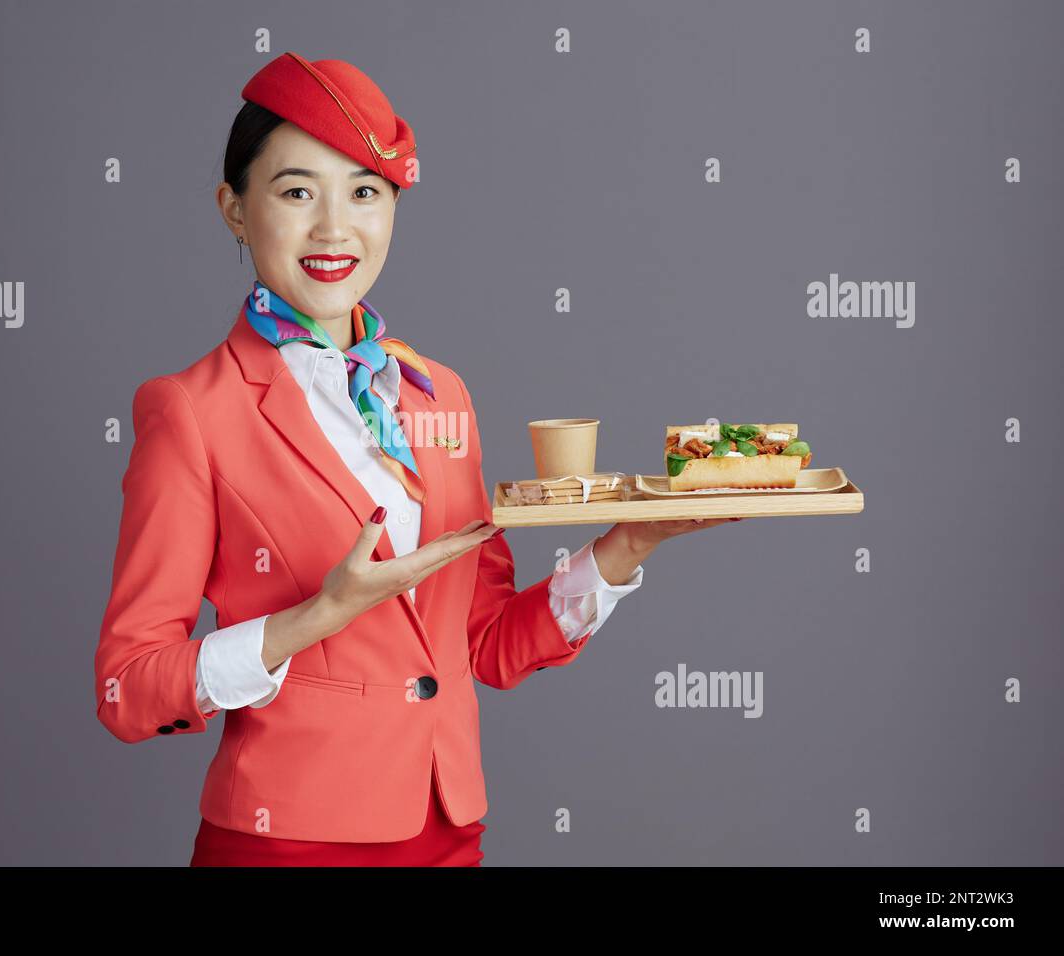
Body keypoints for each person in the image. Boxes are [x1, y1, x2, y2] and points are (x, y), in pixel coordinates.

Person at [94, 51, 739, 867]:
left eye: (365, 193)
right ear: (234, 208)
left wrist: (630, 545)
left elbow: (488, 644)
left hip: (446, 831)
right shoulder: (190, 411)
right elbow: (127, 687)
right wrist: (313, 620)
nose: (335, 229)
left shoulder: (440, 397)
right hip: (286, 841)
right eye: (297, 193)